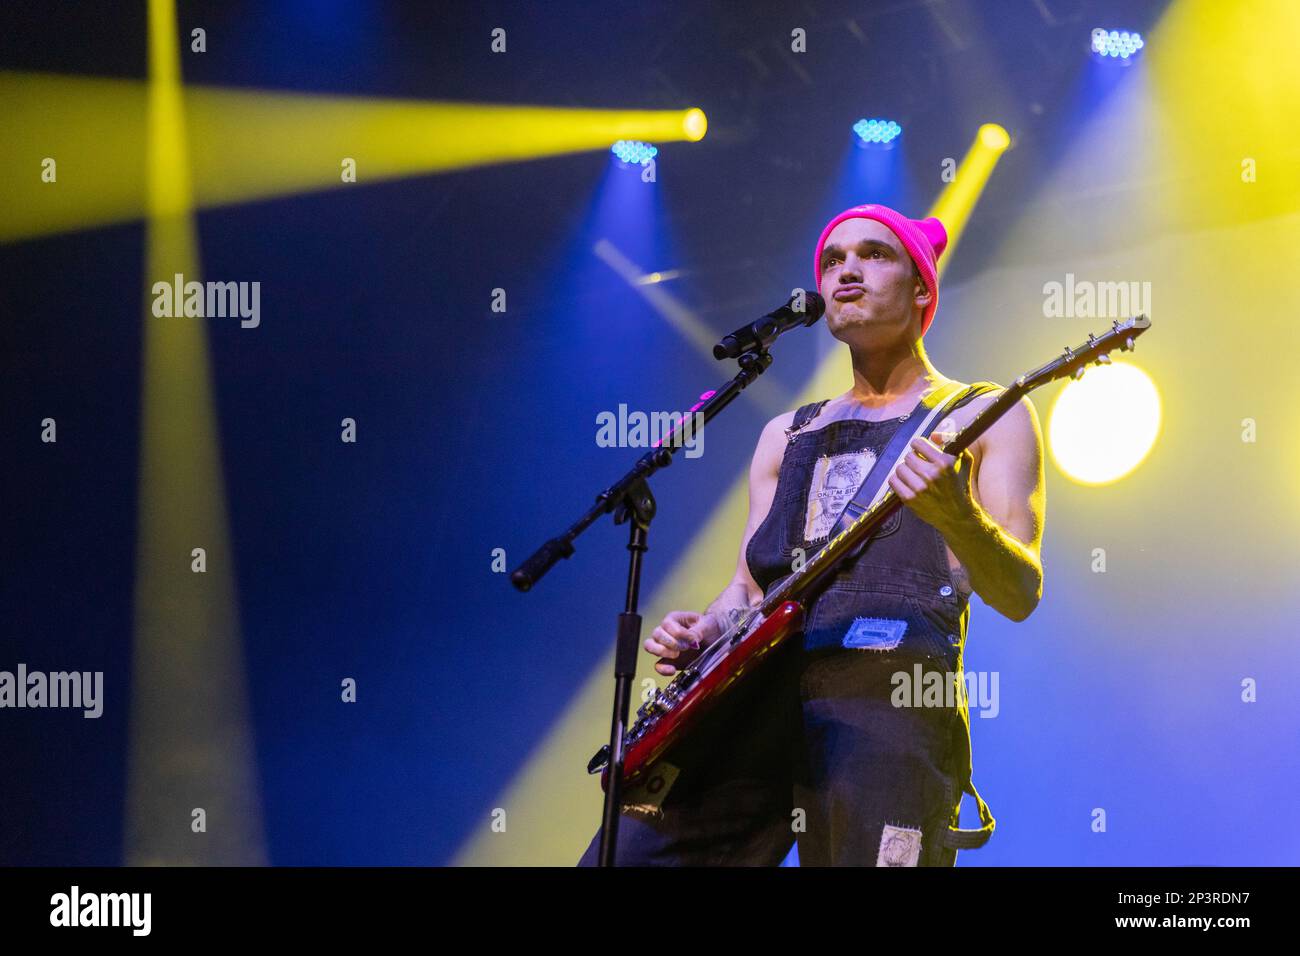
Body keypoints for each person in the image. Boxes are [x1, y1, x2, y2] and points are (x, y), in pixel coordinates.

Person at [578, 204, 1046, 866]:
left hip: (886, 704)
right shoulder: (787, 434)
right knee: (624, 855)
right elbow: (747, 590)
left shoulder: (986, 414)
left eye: (874, 254)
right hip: (751, 698)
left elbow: (1020, 590)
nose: (846, 270)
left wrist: (956, 516)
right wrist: (708, 629)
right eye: (832, 260)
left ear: (921, 289)